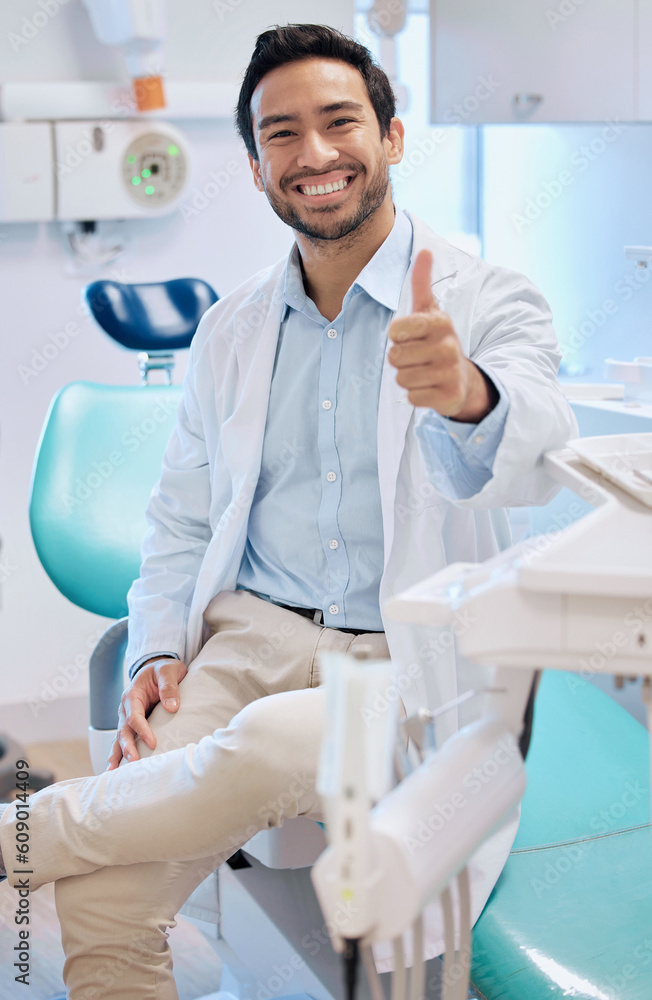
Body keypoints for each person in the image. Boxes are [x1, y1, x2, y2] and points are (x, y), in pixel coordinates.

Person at [0, 23, 577, 999]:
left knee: (272, 745)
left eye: (339, 121)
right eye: (281, 134)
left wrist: (467, 394)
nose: (313, 154)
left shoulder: (485, 298)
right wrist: (152, 651)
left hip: (417, 651)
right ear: (259, 166)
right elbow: (179, 518)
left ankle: (26, 830)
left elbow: (544, 448)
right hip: (247, 642)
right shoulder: (228, 328)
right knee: (102, 906)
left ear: (391, 137)